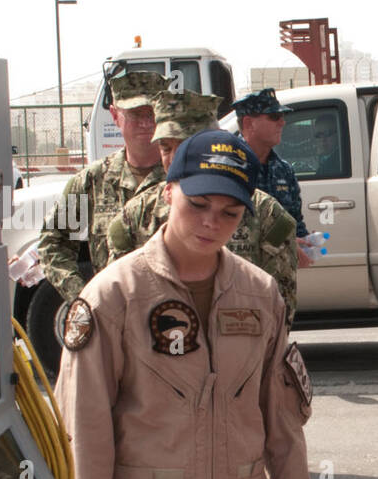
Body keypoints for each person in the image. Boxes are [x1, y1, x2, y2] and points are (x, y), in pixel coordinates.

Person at [54, 130, 319, 479]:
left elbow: (280, 414)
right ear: (168, 191)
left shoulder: (259, 294)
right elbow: (84, 427)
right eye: (198, 205)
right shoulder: (114, 296)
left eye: (229, 213)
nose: (211, 223)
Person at [109, 91, 300, 328]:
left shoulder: (265, 214)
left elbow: (280, 311)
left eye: (187, 147)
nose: (174, 158)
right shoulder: (135, 215)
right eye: (166, 147)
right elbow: (117, 306)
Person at [38, 71, 168, 302]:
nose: (146, 123)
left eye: (153, 113)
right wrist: (83, 296)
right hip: (114, 319)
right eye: (136, 114)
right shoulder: (92, 181)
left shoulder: (186, 179)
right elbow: (53, 242)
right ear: (116, 116)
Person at [234, 88, 313, 270]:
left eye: (282, 116)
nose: (282, 123)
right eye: (274, 117)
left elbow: (293, 221)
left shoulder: (283, 170)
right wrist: (284, 241)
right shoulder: (228, 167)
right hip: (242, 275)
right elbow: (231, 230)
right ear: (249, 123)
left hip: (280, 276)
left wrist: (305, 242)